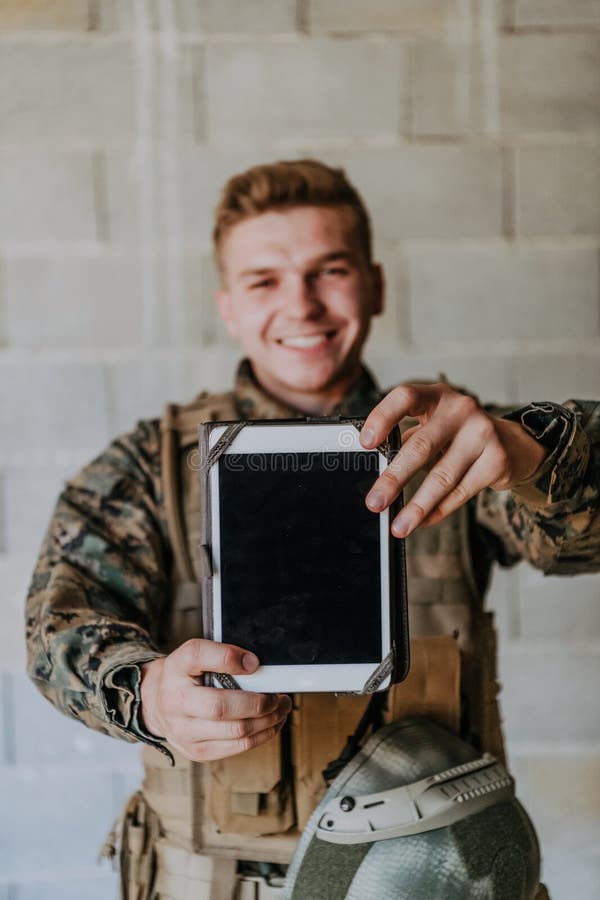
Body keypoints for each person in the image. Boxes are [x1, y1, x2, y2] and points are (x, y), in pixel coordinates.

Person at [26, 160, 599, 900]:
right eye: (265, 280)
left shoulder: (456, 446)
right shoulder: (150, 466)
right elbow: (58, 629)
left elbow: (576, 539)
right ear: (229, 306)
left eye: (329, 270)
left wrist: (533, 448)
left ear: (376, 285)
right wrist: (148, 691)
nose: (302, 304)